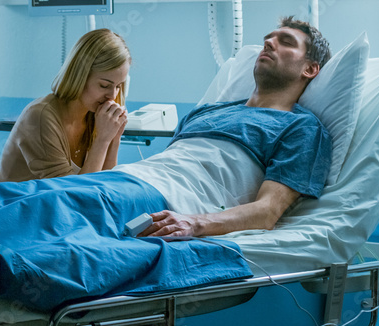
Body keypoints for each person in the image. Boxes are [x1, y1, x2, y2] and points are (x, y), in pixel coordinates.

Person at [116, 15, 332, 238]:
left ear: (309, 69)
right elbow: (170, 165)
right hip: (129, 177)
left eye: (286, 41)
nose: (268, 43)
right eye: (268, 39)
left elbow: (267, 213)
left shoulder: (301, 128)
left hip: (165, 200)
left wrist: (194, 223)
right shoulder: (206, 111)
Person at [0, 28, 131, 183]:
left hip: (51, 205)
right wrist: (102, 140)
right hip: (13, 205)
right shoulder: (41, 117)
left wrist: (114, 137)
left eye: (118, 86)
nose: (113, 95)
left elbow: (105, 182)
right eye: (104, 85)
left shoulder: (94, 115)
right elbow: (75, 195)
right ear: (80, 76)